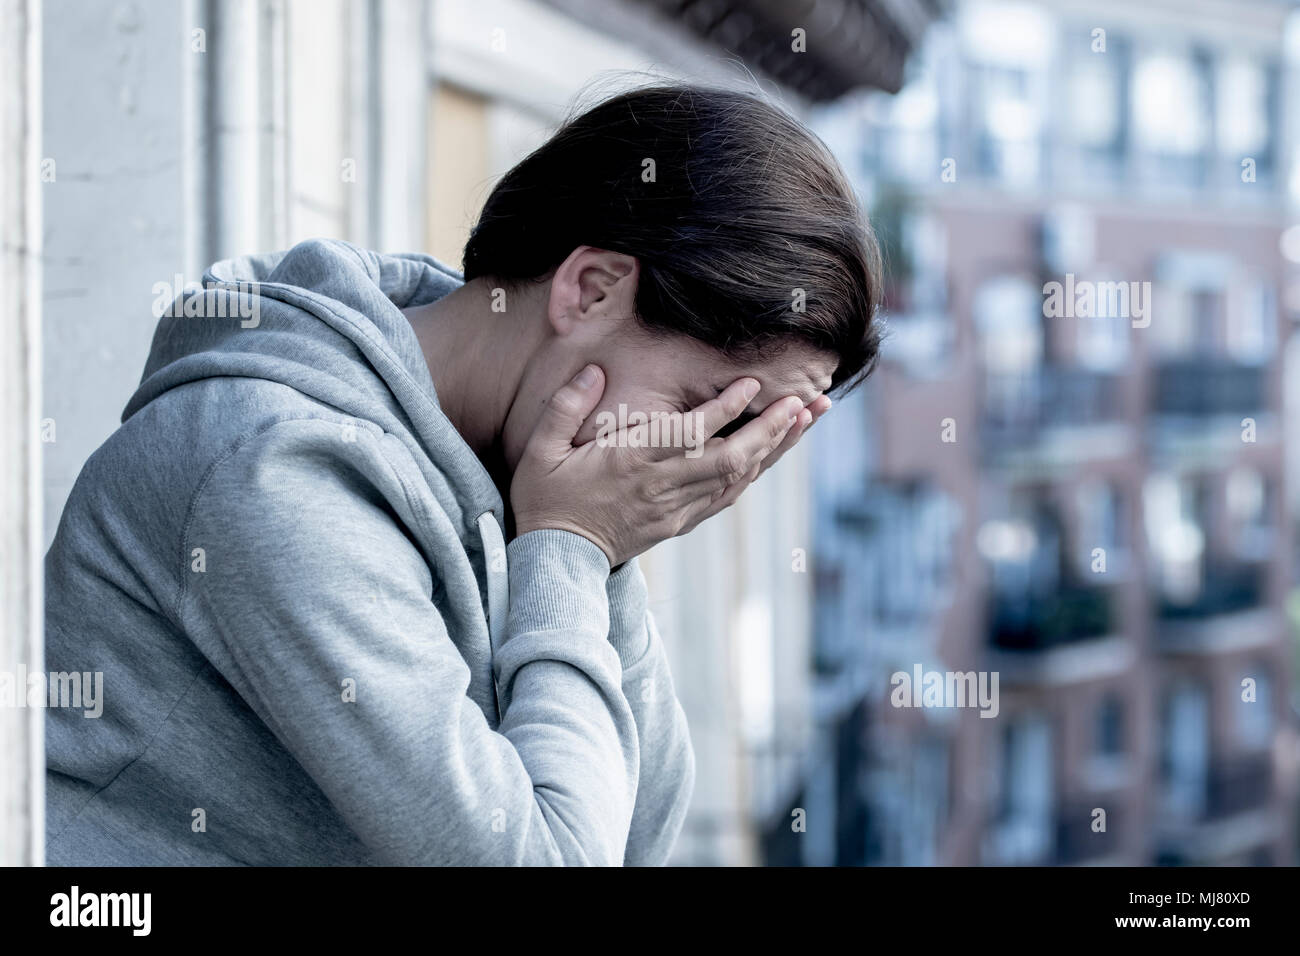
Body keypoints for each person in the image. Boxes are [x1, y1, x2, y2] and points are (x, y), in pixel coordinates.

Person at [43, 82, 883, 865]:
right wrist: (576, 545)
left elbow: (634, 835)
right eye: (709, 404)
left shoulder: (534, 471)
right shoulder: (272, 465)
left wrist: (603, 550)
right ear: (590, 290)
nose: (702, 455)